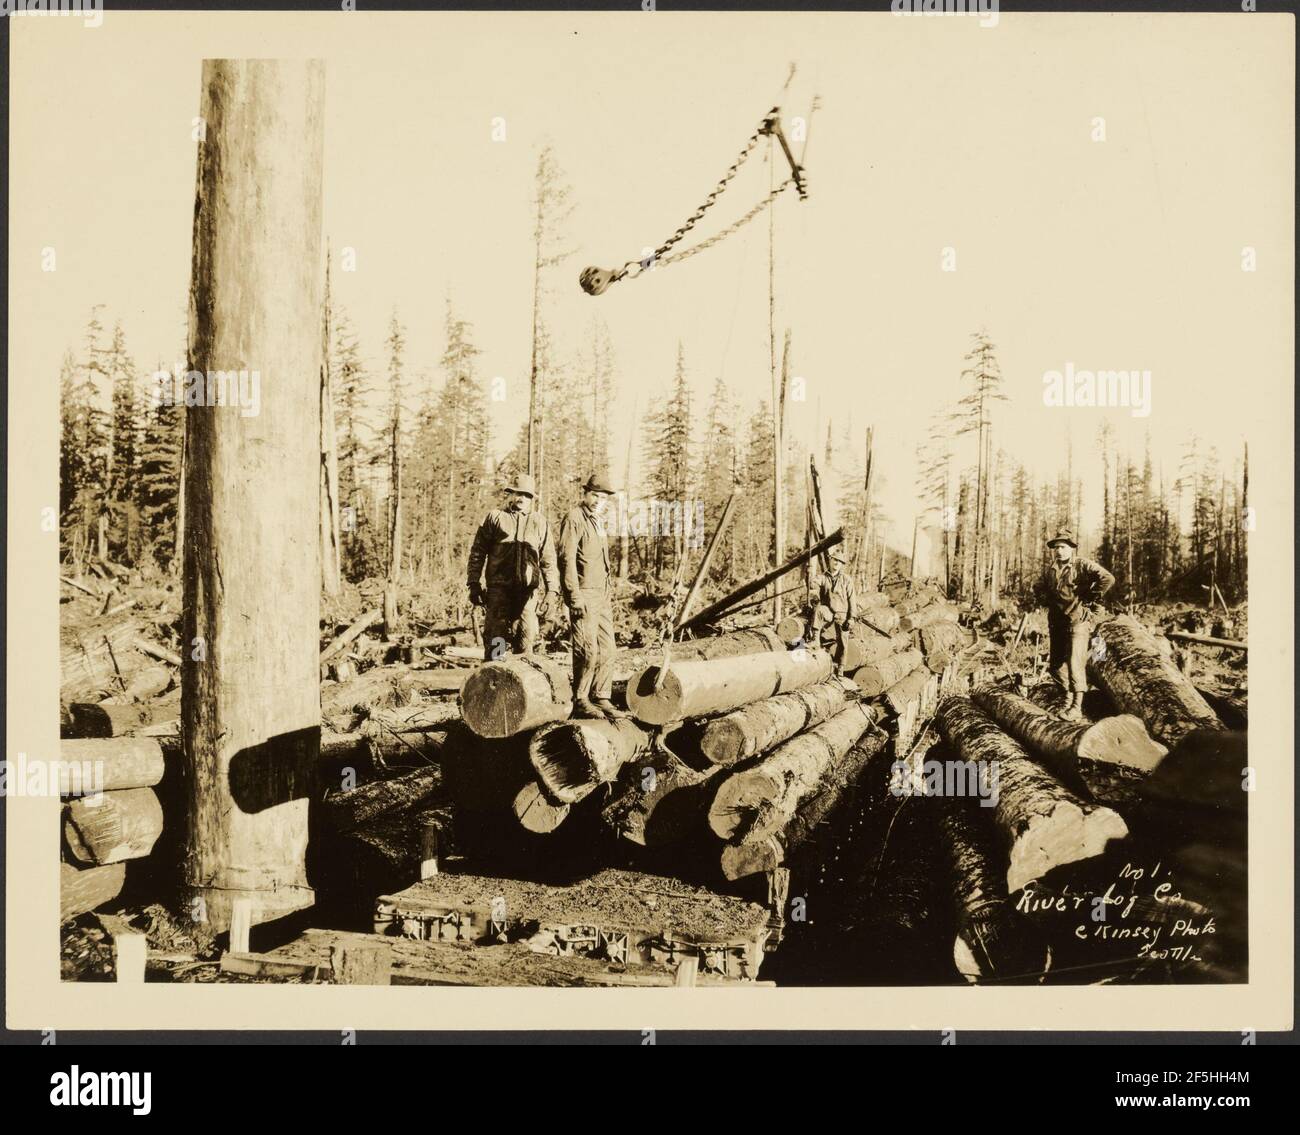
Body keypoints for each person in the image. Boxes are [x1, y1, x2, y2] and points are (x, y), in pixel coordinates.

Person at [465, 473, 558, 661]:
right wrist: (474, 583)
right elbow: (477, 553)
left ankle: (521, 683)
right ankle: (494, 683)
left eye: (527, 495)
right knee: (496, 640)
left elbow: (548, 559)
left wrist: (552, 591)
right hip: (499, 591)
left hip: (527, 593)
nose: (521, 498)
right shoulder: (495, 518)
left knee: (525, 638)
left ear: (532, 499)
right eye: (517, 493)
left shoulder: (539, 522)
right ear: (509, 494)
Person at [558, 473, 626, 721]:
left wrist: (609, 590)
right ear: (585, 494)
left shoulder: (597, 521)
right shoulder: (574, 518)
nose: (598, 501)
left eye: (603, 497)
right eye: (595, 495)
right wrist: (573, 597)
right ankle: (581, 699)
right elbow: (566, 560)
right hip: (584, 593)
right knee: (587, 650)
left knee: (608, 649)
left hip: (603, 594)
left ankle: (601, 696)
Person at [1040, 526, 1115, 721]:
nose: (1059, 550)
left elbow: (1107, 578)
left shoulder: (1081, 565)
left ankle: (1076, 708)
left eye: (1063, 547)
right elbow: (1044, 589)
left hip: (1078, 621)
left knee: (1075, 663)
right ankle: (1066, 701)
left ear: (1071, 548)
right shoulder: (1051, 570)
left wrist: (1091, 597)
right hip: (1057, 622)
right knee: (1055, 666)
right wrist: (1042, 596)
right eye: (1056, 547)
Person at [811, 548, 857, 667]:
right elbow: (814, 583)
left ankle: (840, 667)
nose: (836, 563)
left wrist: (851, 618)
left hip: (842, 614)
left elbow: (852, 600)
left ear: (842, 565)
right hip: (828, 611)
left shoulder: (846, 580)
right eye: (834, 560)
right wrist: (814, 592)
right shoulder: (824, 577)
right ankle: (815, 641)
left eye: (839, 561)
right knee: (819, 610)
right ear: (830, 560)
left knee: (842, 641)